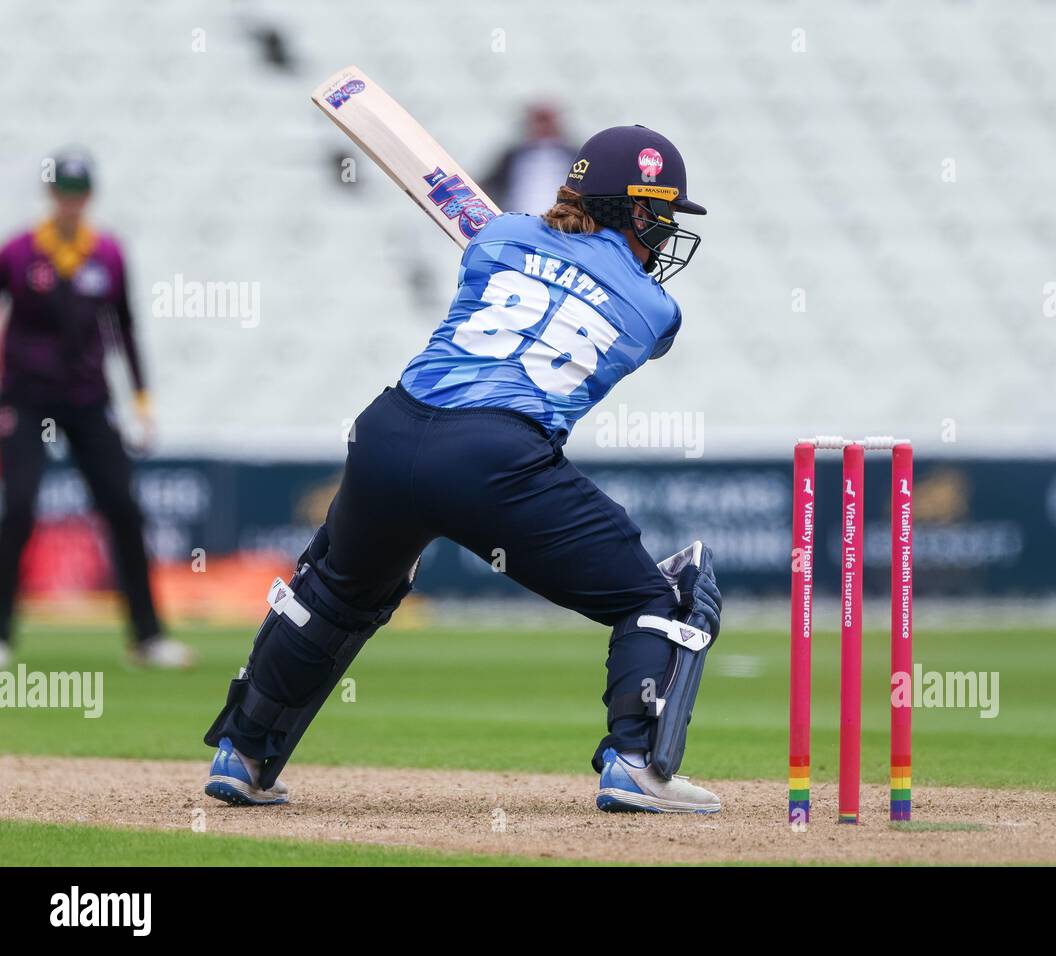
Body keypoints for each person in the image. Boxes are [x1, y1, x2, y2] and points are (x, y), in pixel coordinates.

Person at [202, 126, 722, 814]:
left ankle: (241, 753)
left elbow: (516, 246)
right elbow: (630, 326)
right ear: (630, 211)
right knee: (661, 597)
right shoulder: (657, 310)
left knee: (334, 592)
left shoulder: (499, 238)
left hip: (387, 432)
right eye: (658, 216)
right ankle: (635, 764)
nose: (663, 235)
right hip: (494, 456)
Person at [0, 150, 193, 671]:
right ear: (51, 194)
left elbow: (124, 328)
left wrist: (142, 401)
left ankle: (147, 637)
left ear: (88, 196)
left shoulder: (105, 253)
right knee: (17, 509)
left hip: (88, 398)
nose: (70, 201)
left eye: (78, 192)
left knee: (123, 510)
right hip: (26, 396)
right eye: (63, 191)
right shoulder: (19, 252)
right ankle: (1, 635)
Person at [481, 103, 579, 215]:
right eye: (539, 121)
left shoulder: (575, 155)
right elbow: (488, 184)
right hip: (518, 220)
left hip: (566, 224)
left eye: (546, 121)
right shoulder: (512, 156)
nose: (543, 126)